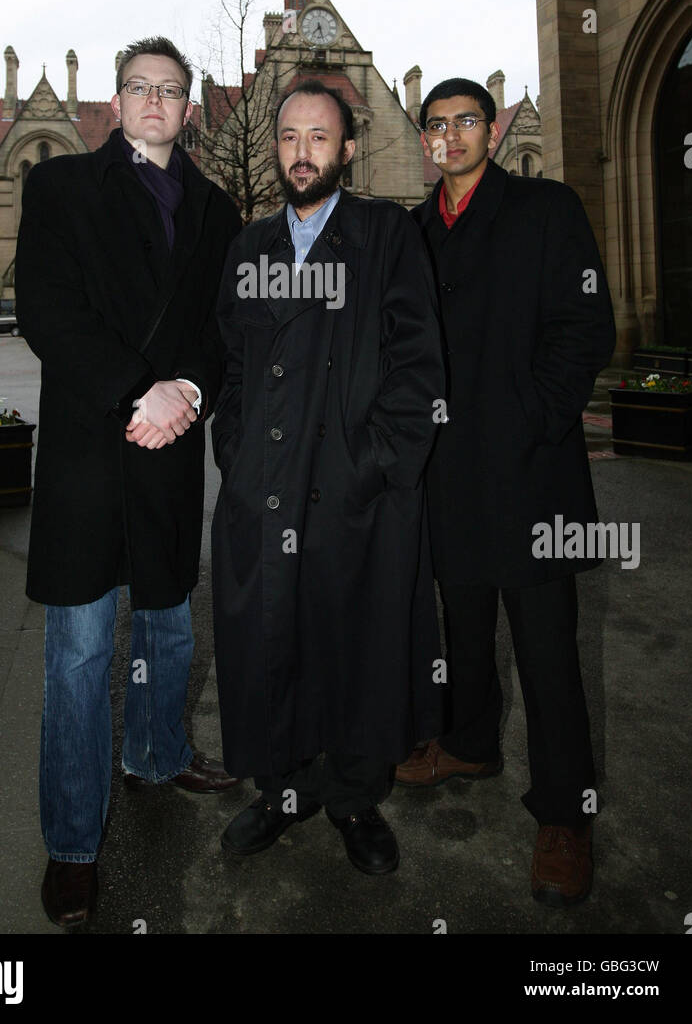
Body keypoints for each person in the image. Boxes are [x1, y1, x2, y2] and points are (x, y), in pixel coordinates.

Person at [15, 36, 242, 926]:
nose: (154, 102)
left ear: (189, 109)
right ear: (114, 103)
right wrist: (133, 389)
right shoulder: (62, 187)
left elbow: (220, 328)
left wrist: (186, 389)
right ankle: (72, 843)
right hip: (88, 449)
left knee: (167, 625)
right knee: (77, 656)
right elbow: (47, 309)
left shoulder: (216, 210)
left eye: (171, 90)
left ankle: (157, 753)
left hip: (170, 443)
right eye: (139, 88)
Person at [211, 79, 446, 875]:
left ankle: (350, 798)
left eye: (319, 138)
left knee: (355, 647)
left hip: (356, 493)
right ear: (273, 148)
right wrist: (236, 453)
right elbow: (234, 369)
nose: (301, 152)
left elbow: (418, 368)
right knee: (273, 642)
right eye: (288, 137)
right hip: (266, 486)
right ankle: (282, 793)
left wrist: (372, 463)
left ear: (346, 149)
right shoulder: (249, 248)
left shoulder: (385, 235)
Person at [397, 76, 616, 906]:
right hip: (447, 475)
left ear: (488, 130)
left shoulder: (545, 210)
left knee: (548, 649)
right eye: (434, 125)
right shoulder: (413, 231)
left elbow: (582, 326)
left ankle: (563, 814)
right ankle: (468, 742)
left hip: (530, 473)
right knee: (460, 626)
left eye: (462, 122)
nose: (447, 135)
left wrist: (533, 416)